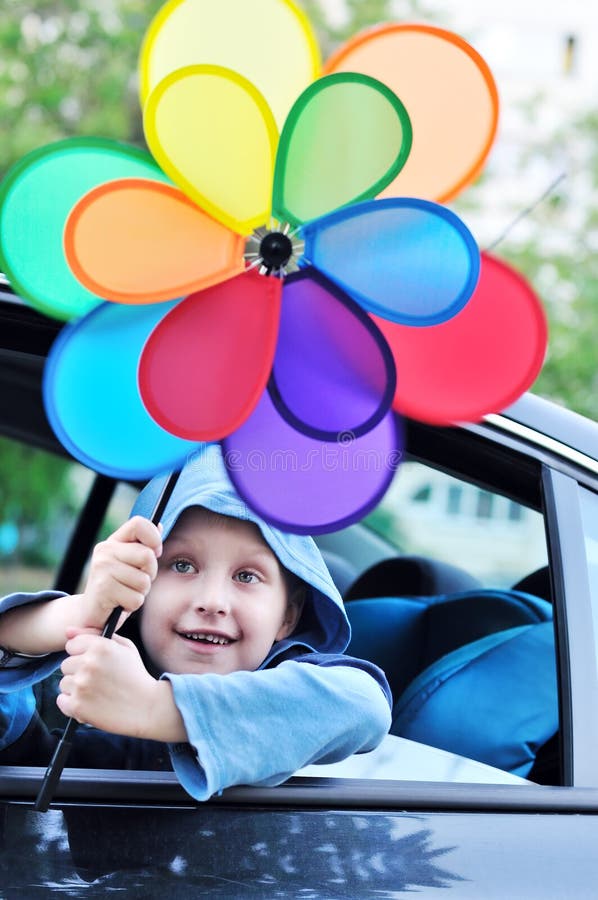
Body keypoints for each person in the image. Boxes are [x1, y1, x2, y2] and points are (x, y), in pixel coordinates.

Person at [0, 446, 391, 800]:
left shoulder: (293, 681)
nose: (212, 602)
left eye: (247, 576)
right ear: (140, 587)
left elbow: (364, 704)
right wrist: (84, 614)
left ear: (288, 615)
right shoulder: (80, 681)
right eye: (182, 565)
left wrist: (155, 708)